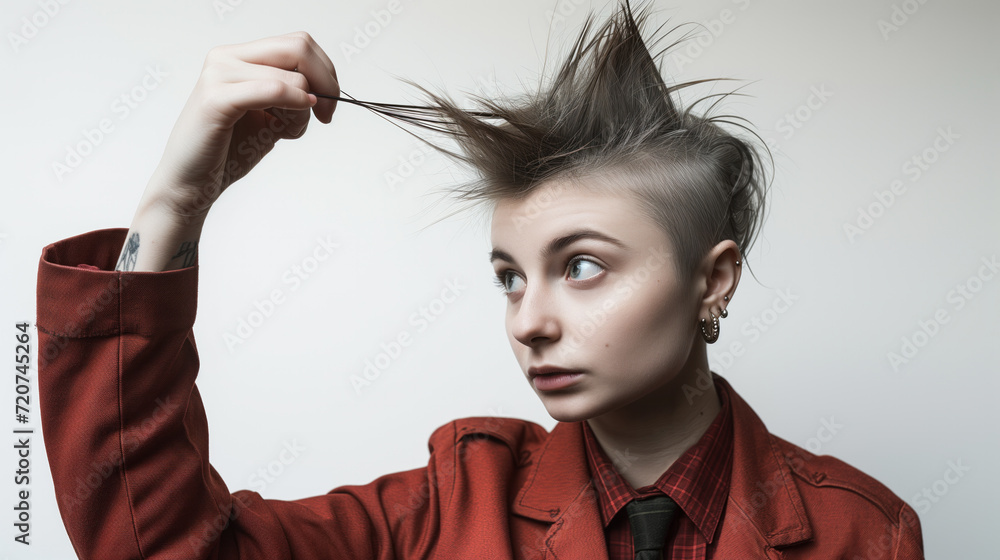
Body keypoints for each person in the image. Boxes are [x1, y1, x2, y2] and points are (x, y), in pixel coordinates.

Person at [36, 1, 924, 558]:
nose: (528, 322)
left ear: (713, 282)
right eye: (508, 276)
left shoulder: (864, 535)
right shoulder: (453, 500)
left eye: (581, 267)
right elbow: (153, 546)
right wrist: (175, 205)